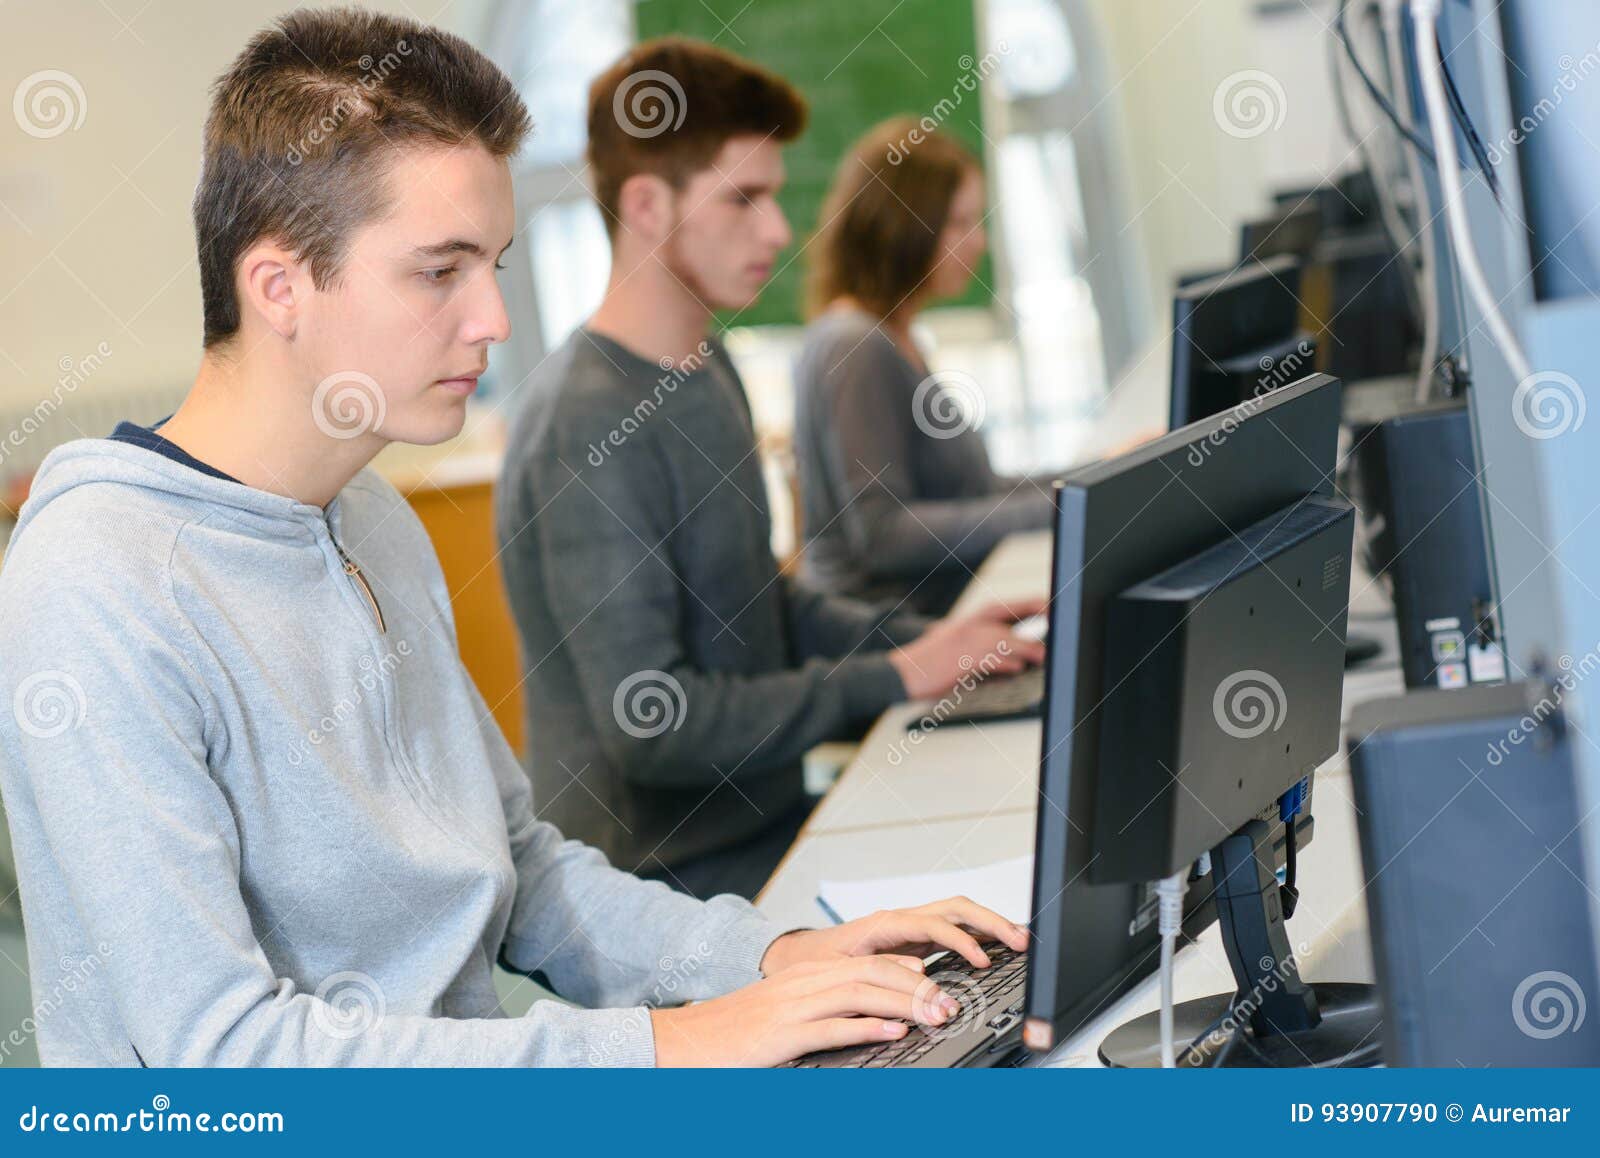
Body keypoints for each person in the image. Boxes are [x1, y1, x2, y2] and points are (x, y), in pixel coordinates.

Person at [0, 9, 1027, 1067]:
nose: (493, 318)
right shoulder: (98, 583)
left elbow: (519, 868)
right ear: (279, 288)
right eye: (439, 271)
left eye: (492, 263)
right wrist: (665, 1047)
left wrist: (773, 958)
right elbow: (221, 1055)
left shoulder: (370, 519)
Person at [496, 42, 1044, 903]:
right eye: (743, 200)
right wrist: (892, 679)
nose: (780, 232)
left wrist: (939, 646)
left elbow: (763, 603)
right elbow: (658, 724)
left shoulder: (706, 368)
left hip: (768, 828)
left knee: (1034, 847)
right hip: (665, 888)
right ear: (645, 205)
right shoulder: (585, 423)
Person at [794, 120, 1055, 617]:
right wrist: (1059, 510)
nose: (977, 243)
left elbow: (978, 491)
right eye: (958, 224)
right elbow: (883, 535)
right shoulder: (856, 346)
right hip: (893, 638)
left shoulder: (895, 335)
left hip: (941, 616)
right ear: (903, 228)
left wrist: (1099, 475)